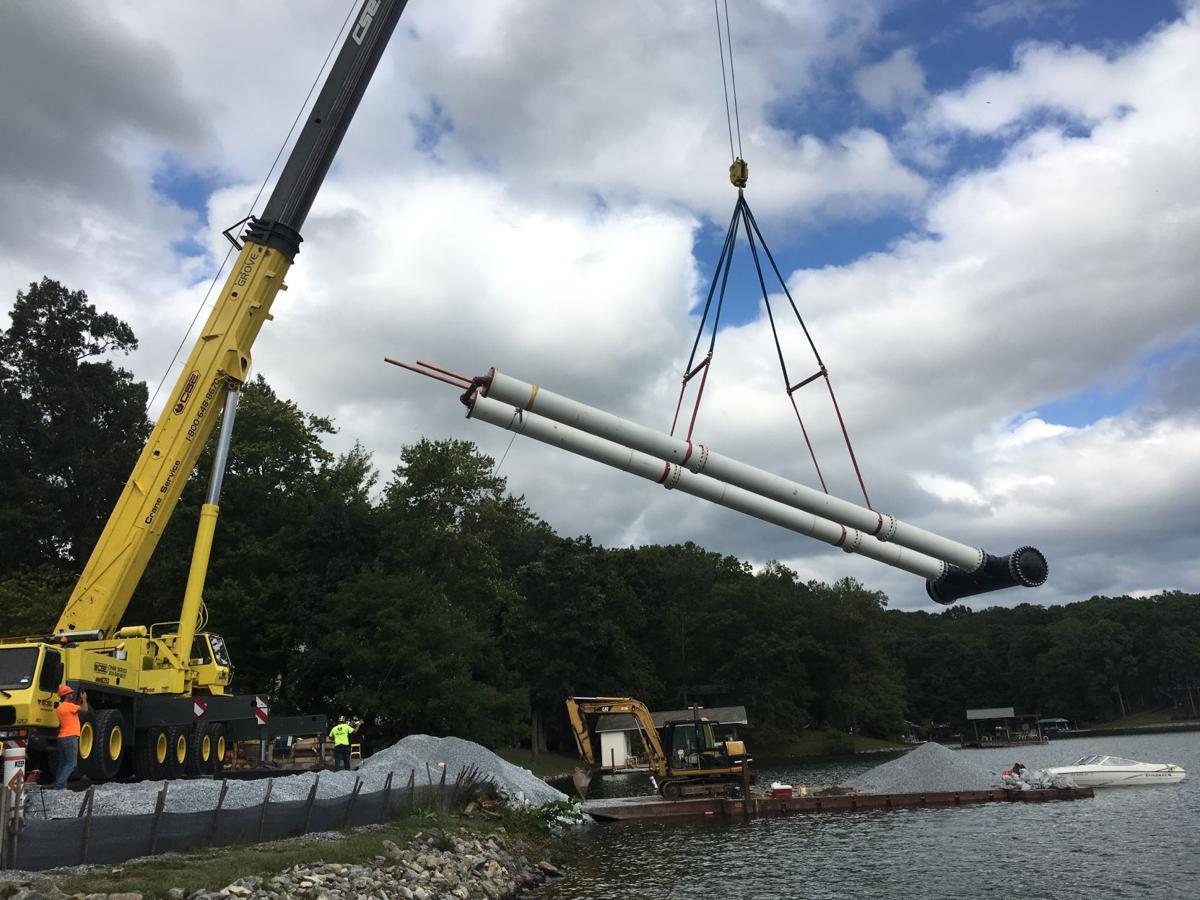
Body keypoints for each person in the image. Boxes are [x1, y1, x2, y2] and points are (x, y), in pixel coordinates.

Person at [52, 685, 88, 789]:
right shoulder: (69, 706)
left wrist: (79, 700)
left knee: (63, 763)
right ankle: (59, 785)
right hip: (70, 737)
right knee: (71, 764)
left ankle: (60, 784)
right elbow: (85, 709)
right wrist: (84, 699)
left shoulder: (60, 707)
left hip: (62, 737)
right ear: (66, 695)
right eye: (70, 693)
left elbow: (75, 708)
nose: (72, 694)